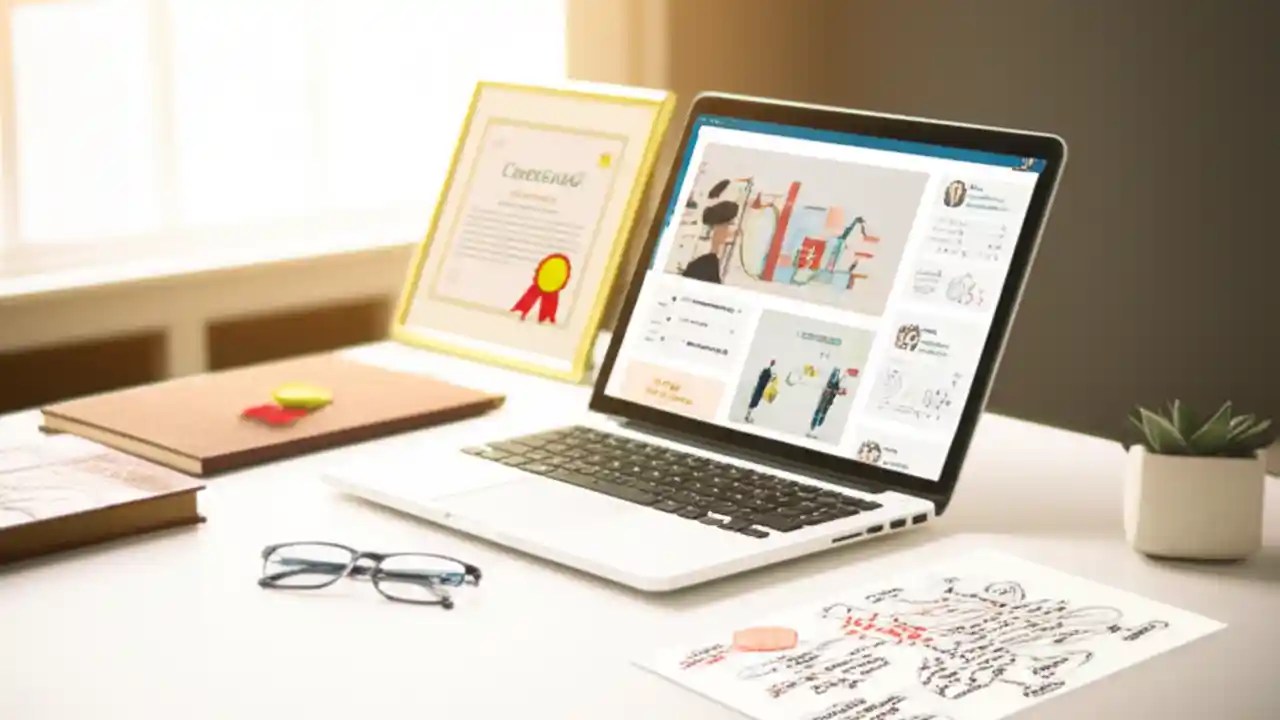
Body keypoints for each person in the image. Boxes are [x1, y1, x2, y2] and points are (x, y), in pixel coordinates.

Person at [682, 179, 739, 283]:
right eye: (730, 224)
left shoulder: (711, 262)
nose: (734, 231)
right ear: (716, 227)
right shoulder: (703, 265)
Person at [808, 367, 843, 438]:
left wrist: (835, 391)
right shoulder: (831, 382)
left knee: (822, 413)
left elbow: (836, 390)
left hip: (828, 399)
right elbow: (828, 388)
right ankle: (813, 428)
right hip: (825, 398)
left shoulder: (836, 383)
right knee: (819, 412)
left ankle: (815, 429)